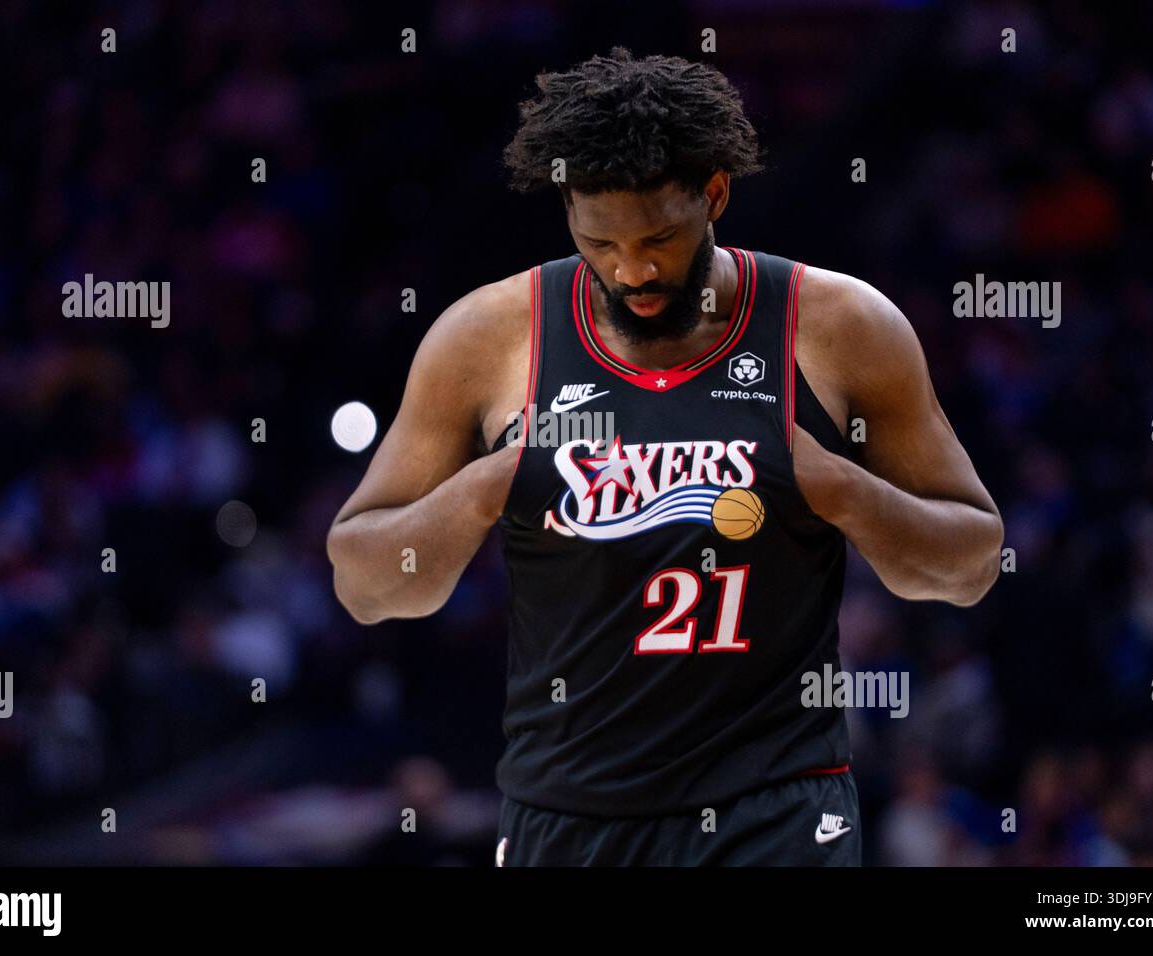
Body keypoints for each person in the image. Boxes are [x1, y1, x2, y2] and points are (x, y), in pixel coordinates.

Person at [327, 48, 1002, 865]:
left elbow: (970, 560)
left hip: (777, 811)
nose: (633, 269)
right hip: (567, 815)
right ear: (567, 206)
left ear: (715, 191)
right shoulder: (490, 336)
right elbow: (364, 582)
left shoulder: (839, 325)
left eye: (659, 237)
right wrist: (488, 483)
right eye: (599, 242)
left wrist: (840, 487)